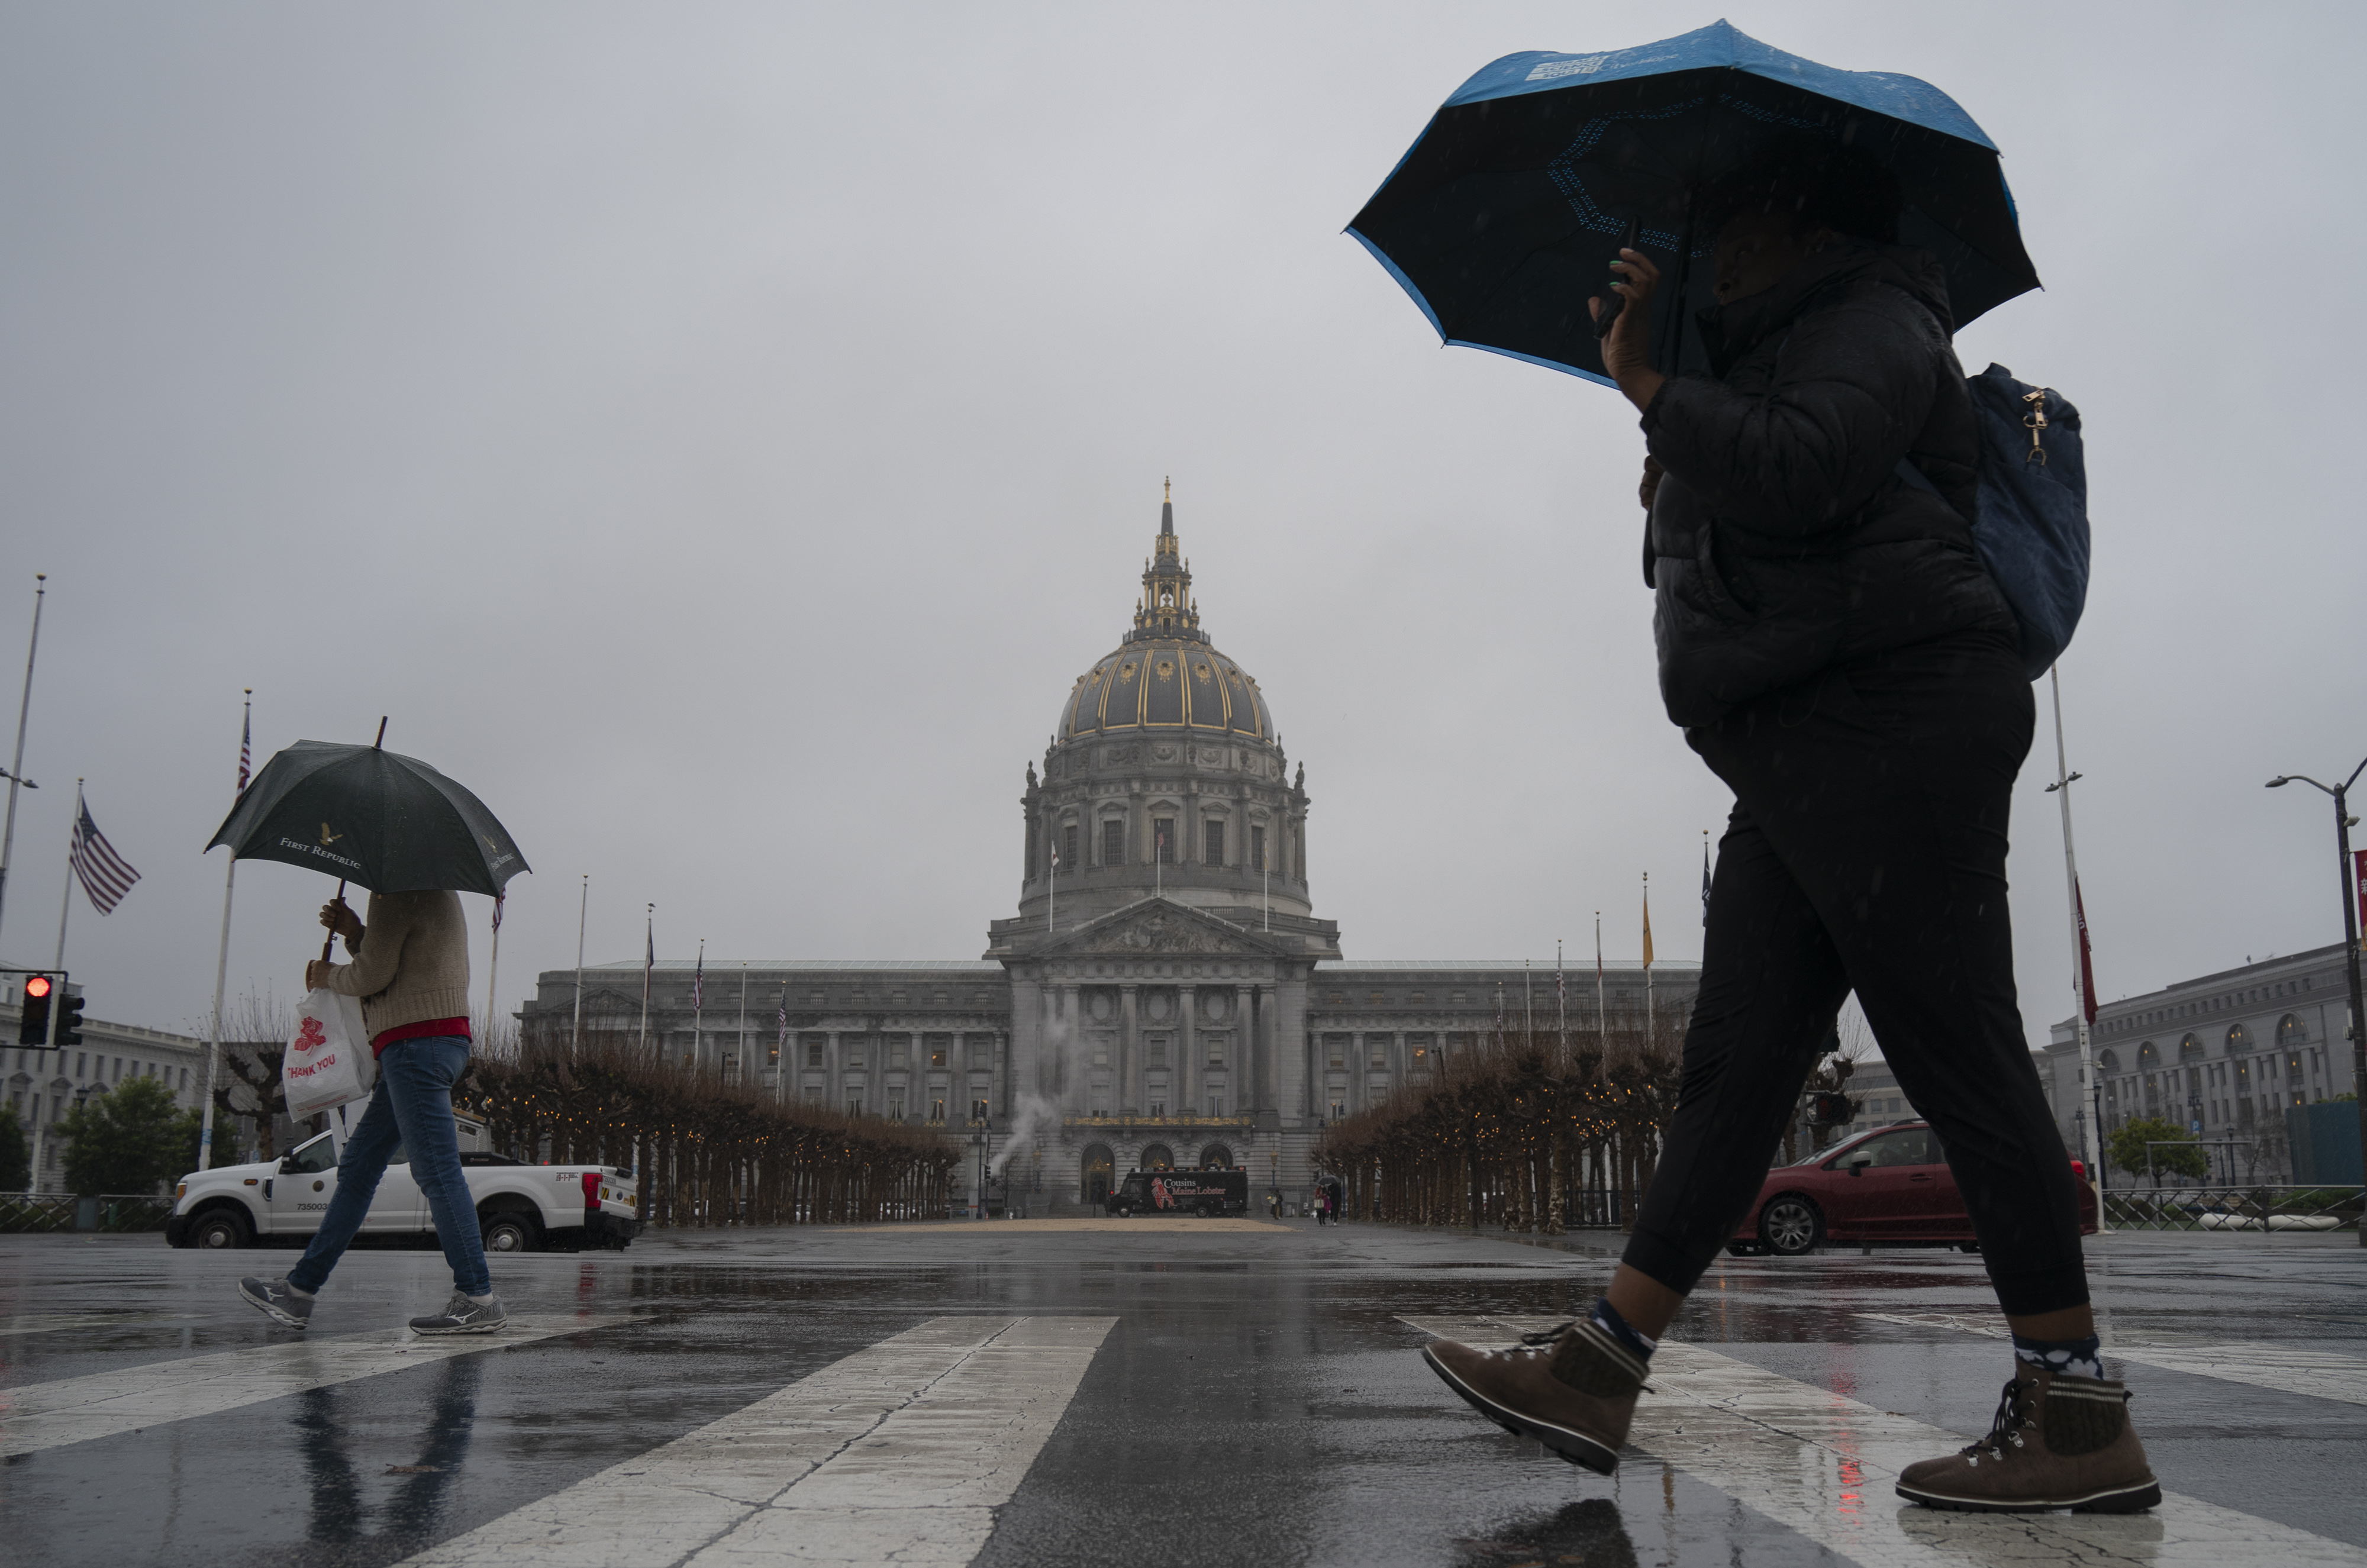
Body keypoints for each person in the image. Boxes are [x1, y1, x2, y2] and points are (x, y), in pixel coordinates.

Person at [1421, 138, 2157, 1515]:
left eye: (1738, 212)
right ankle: (1601, 1359)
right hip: (1804, 732)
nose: (1718, 242)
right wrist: (1671, 438)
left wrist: (1656, 387)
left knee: (1954, 1045)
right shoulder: (1774, 349)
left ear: (1807, 221)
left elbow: (1808, 464)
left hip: (1892, 713)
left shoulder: (1876, 320)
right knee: (1737, 1065)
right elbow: (1772, 503)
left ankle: (2072, 1401)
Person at [239, 891, 507, 1336]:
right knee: (361, 1162)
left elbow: (373, 975)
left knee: (437, 1171)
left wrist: (327, 975)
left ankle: (479, 1297)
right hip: (433, 1040)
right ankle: (299, 1291)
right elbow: (403, 958)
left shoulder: (395, 889)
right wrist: (355, 932)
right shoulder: (431, 884)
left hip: (415, 1043)